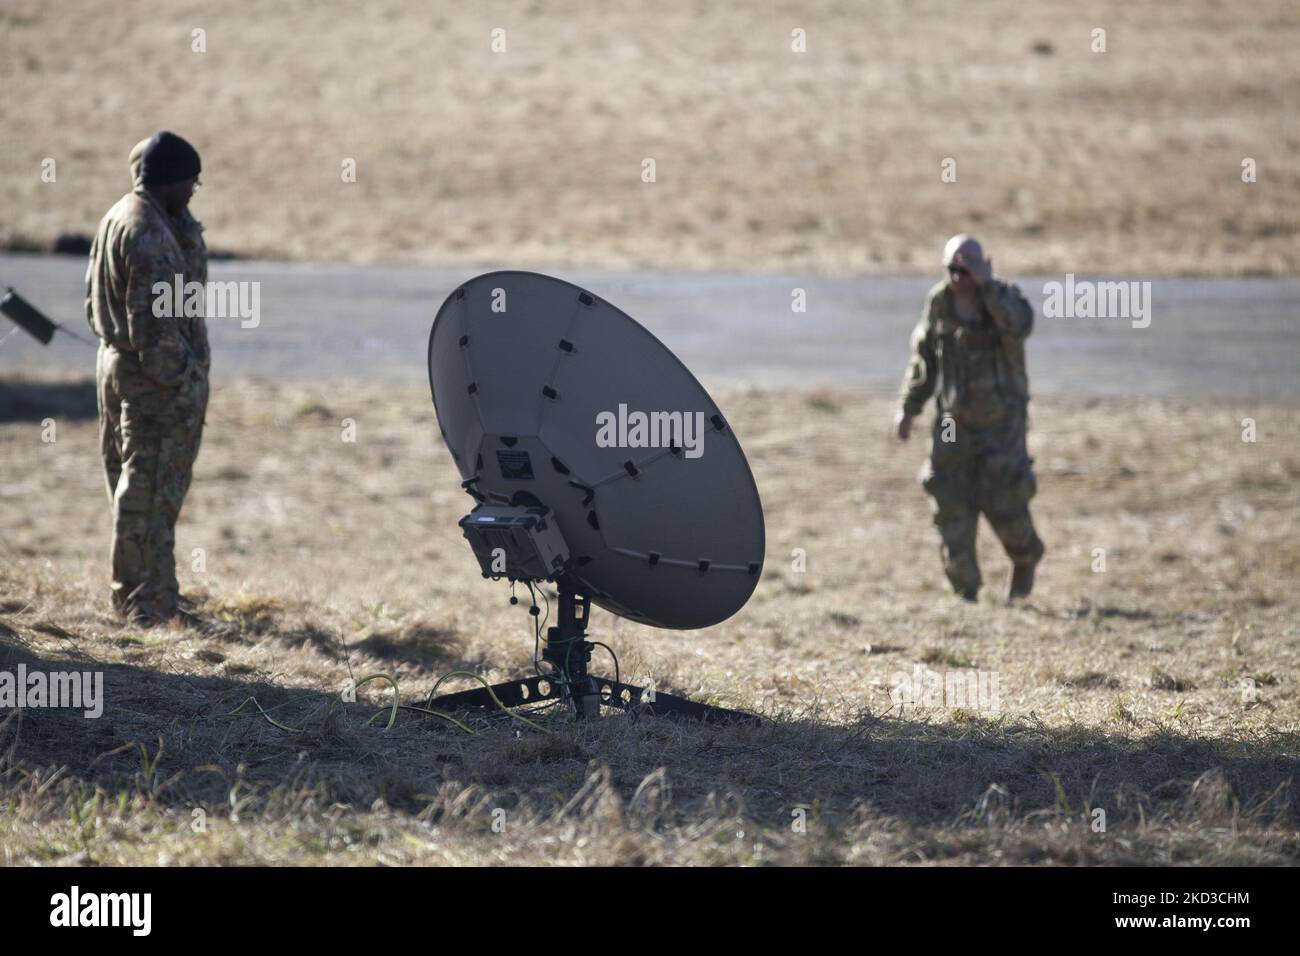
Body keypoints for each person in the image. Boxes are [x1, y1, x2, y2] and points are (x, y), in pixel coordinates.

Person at [85, 131, 210, 625]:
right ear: (170, 182)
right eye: (191, 183)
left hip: (117, 366)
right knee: (149, 491)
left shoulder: (123, 215)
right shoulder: (151, 236)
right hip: (151, 383)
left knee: (136, 487)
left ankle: (153, 592)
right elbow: (155, 327)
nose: (195, 192)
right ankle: (144, 605)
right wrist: (181, 379)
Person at [894, 235, 1045, 601]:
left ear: (982, 266)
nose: (958, 277)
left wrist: (987, 287)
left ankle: (1025, 557)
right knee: (948, 499)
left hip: (1001, 425)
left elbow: (1020, 326)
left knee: (1004, 502)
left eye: (965, 269)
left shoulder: (1005, 299)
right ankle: (966, 591)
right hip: (951, 425)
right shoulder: (939, 303)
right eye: (952, 269)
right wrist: (908, 408)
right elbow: (924, 361)